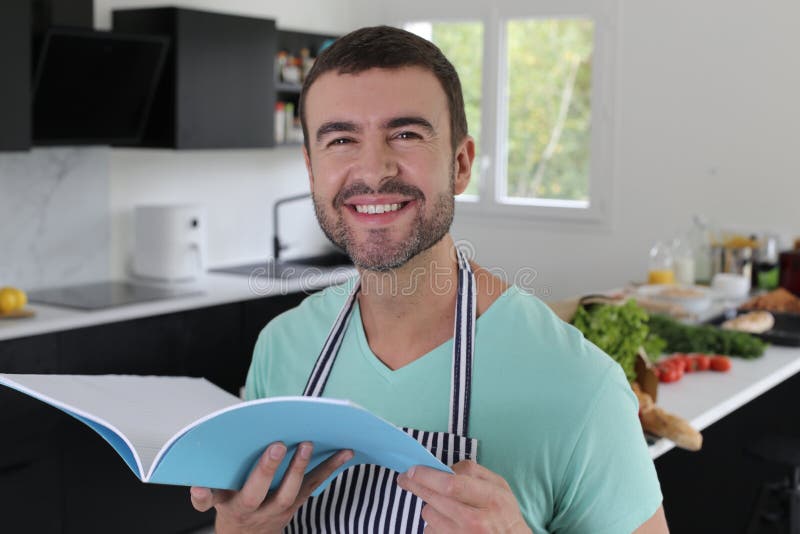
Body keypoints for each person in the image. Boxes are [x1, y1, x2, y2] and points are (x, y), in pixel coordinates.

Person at [190, 25, 668, 533]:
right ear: (311, 169)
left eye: (406, 134)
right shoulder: (281, 349)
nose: (372, 170)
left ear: (460, 164)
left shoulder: (581, 387)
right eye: (341, 139)